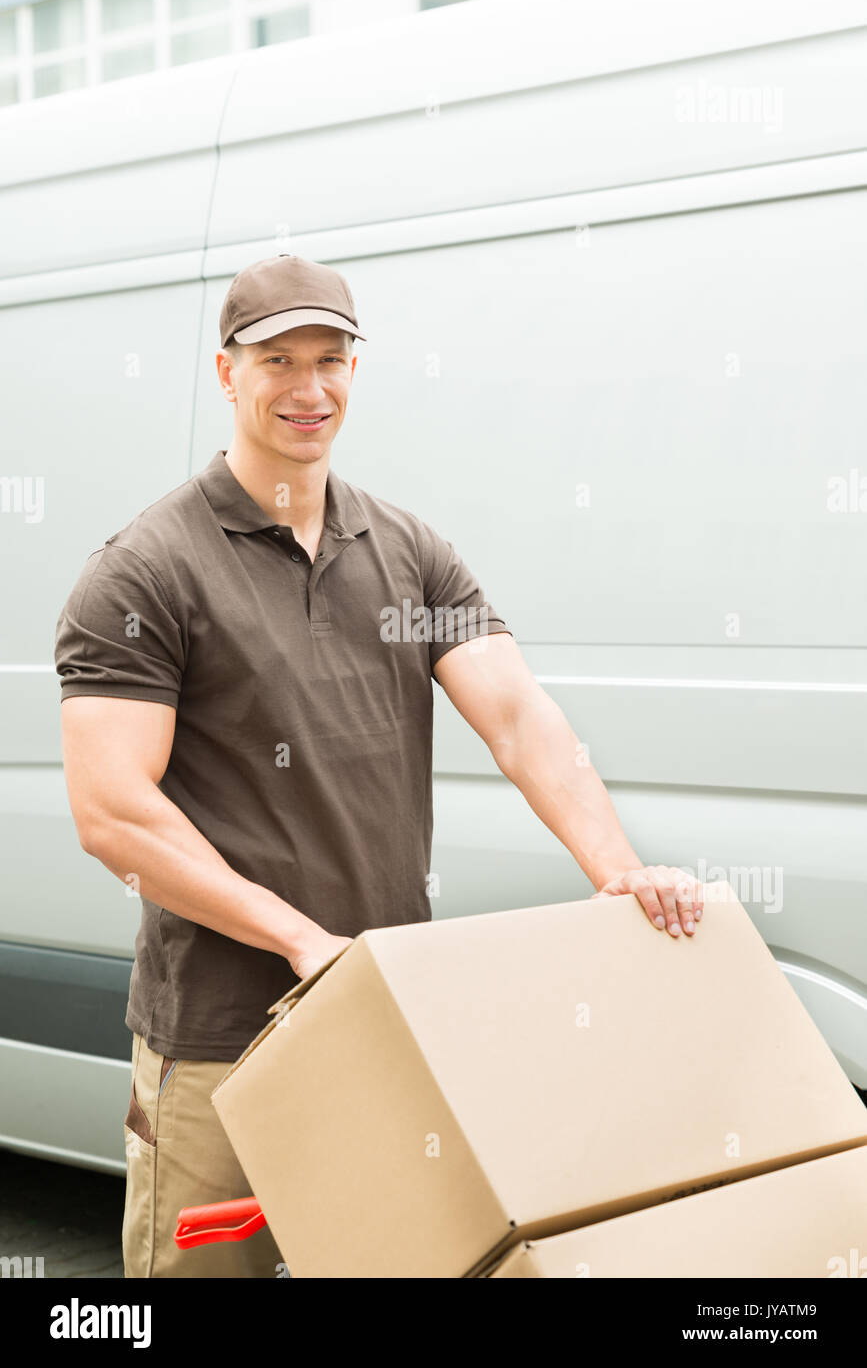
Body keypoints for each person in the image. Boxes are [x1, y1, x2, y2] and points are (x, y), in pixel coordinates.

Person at [55, 253, 704, 1278]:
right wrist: (303, 940)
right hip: (222, 1041)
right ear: (226, 373)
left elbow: (520, 719)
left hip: (387, 1024)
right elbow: (113, 813)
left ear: (356, 369)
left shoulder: (407, 550)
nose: (308, 388)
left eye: (330, 358)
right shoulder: (147, 568)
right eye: (278, 360)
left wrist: (614, 867)